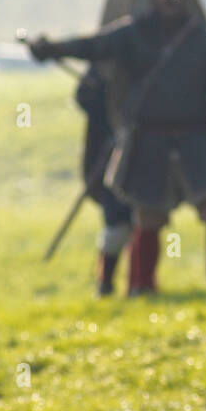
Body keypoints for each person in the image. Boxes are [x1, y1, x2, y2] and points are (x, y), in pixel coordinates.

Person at [29, 0, 206, 292]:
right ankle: (141, 284)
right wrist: (54, 48)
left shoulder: (201, 39)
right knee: (148, 217)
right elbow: (93, 45)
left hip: (195, 137)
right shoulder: (133, 33)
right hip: (150, 140)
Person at [74, 65, 132, 296]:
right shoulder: (100, 68)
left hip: (147, 150)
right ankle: (106, 282)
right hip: (110, 155)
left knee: (146, 219)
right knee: (116, 222)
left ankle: (140, 282)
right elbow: (84, 97)